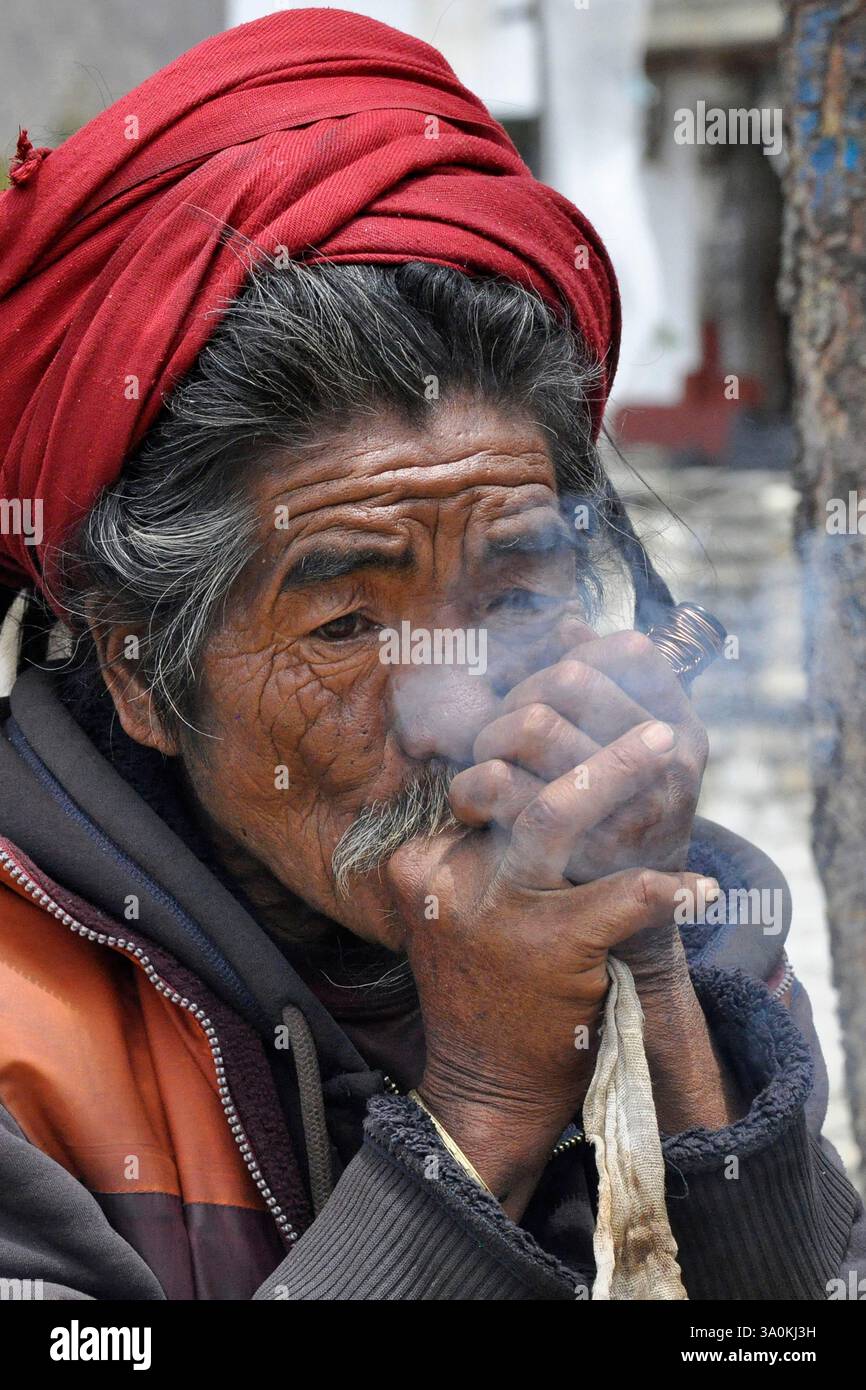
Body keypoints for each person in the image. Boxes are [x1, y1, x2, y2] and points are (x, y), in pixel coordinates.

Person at [0, 7, 861, 1301]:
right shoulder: (29, 1035)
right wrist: (484, 1105)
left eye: (514, 589)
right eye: (349, 625)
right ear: (139, 669)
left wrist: (663, 1016)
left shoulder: (683, 918)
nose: (455, 704)